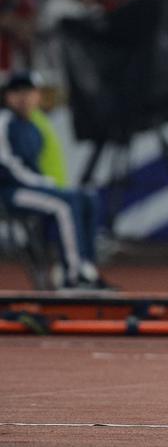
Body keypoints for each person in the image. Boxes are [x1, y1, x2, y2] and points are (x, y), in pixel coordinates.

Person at [0, 71, 111, 289]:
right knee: (63, 205)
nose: (25, 98)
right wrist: (44, 184)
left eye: (30, 92)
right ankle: (72, 276)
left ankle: (86, 269)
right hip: (9, 192)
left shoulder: (33, 127)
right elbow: (7, 167)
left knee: (86, 197)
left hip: (29, 188)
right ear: (8, 96)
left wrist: (44, 183)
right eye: (18, 92)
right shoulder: (4, 123)